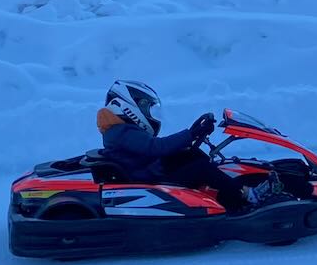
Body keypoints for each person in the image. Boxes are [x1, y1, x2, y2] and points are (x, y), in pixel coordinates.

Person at [96, 80, 275, 213]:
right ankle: (248, 196)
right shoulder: (121, 132)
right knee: (202, 168)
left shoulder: (120, 130)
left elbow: (153, 149)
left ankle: (224, 196)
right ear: (127, 106)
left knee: (190, 154)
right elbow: (156, 147)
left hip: (148, 169)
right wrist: (191, 133)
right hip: (149, 179)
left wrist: (190, 139)